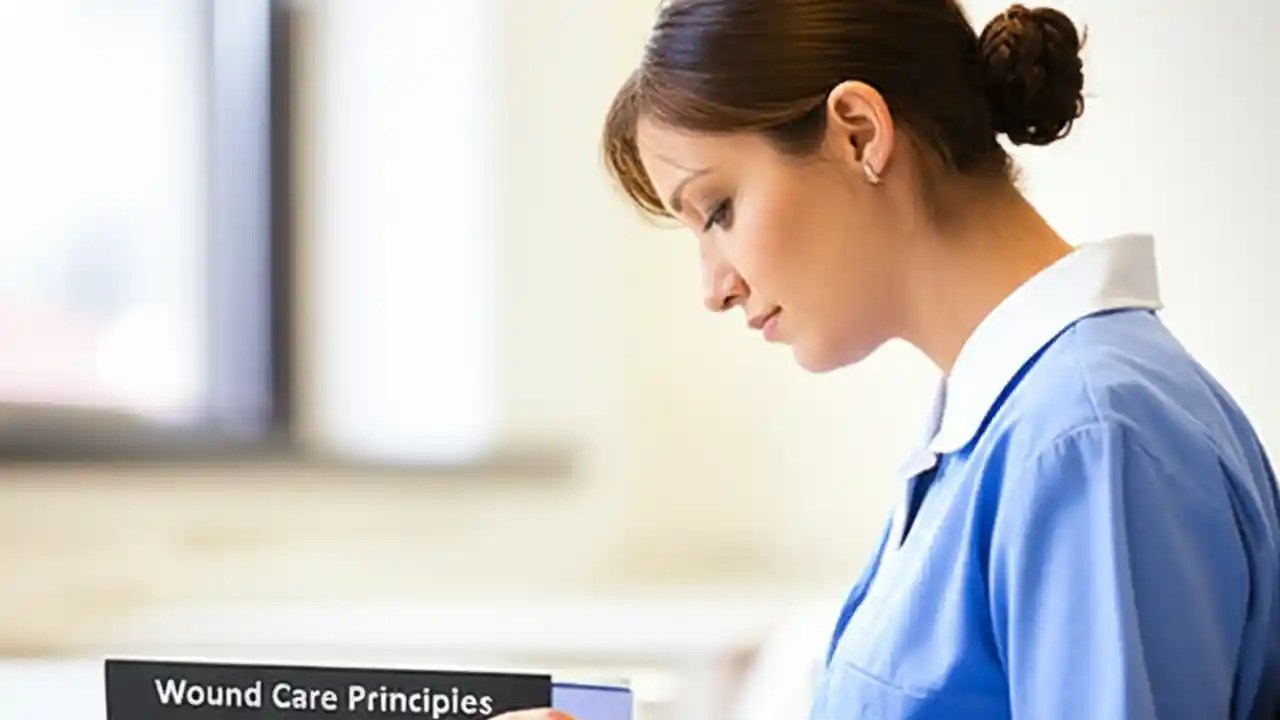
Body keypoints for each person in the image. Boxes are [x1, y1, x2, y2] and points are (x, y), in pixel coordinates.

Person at [497, 0, 1280, 718]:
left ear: (859, 134)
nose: (715, 287)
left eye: (721, 211)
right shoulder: (1006, 430)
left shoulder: (1087, 438)